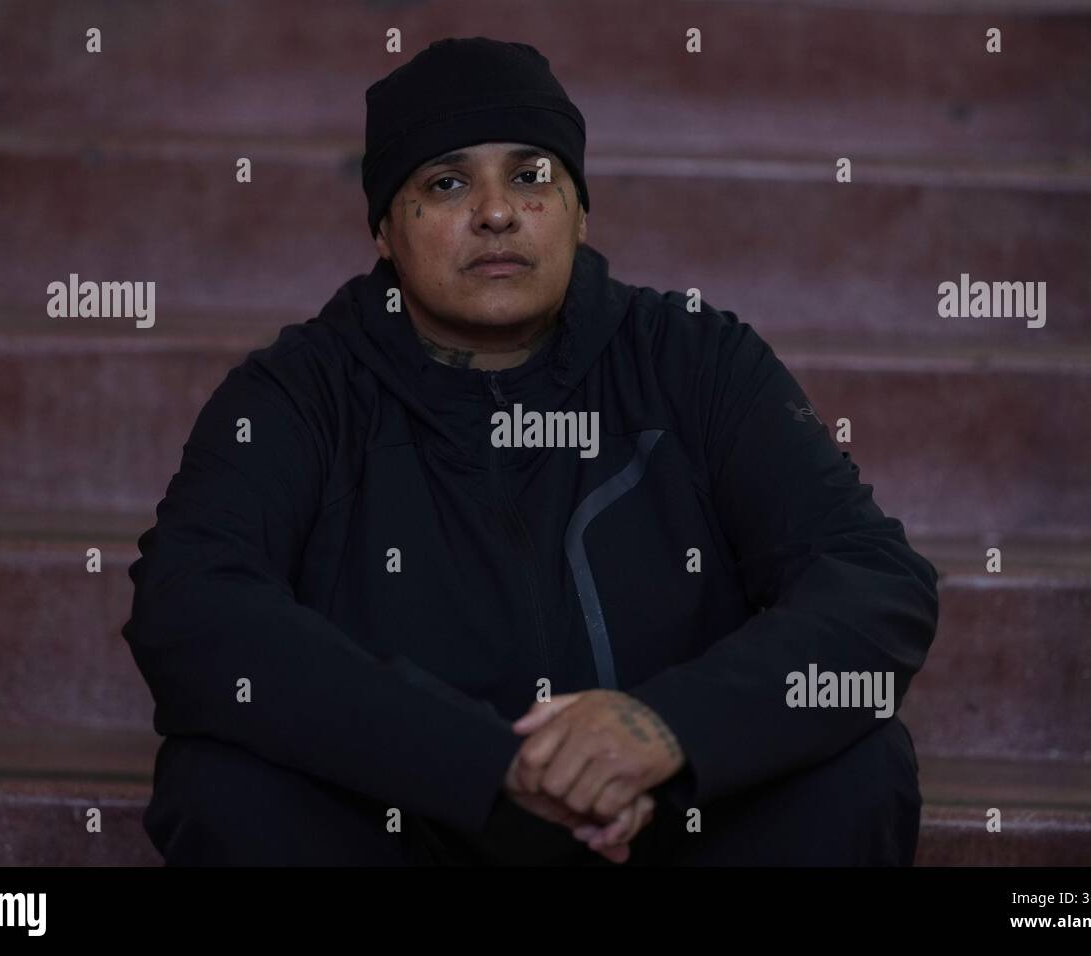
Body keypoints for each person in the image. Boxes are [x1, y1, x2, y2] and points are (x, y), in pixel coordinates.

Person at [123, 36, 939, 867]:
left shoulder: (696, 359)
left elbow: (873, 580)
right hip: (416, 824)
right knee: (217, 780)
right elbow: (190, 607)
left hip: (664, 821)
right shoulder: (298, 392)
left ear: (580, 211)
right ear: (382, 232)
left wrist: (666, 729)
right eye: (446, 183)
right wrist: (486, 765)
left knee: (861, 764)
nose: (497, 212)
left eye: (531, 175)